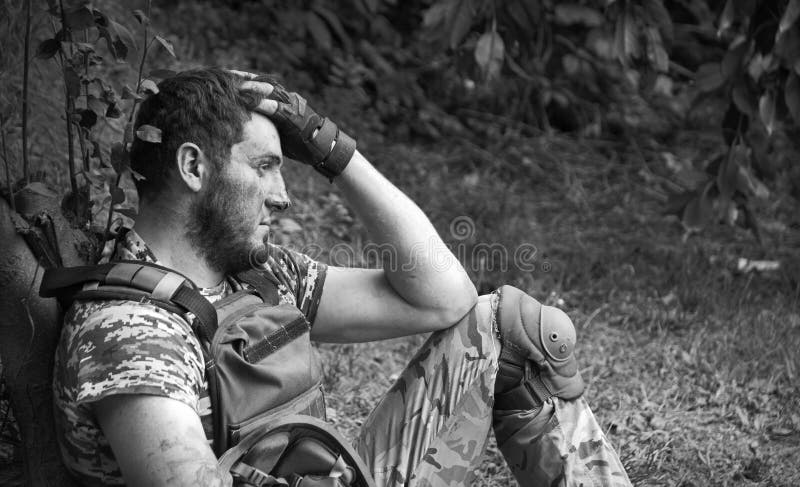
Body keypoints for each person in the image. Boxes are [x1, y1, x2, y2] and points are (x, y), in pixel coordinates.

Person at [52, 67, 631, 487]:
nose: (282, 196)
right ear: (192, 167)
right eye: (265, 167)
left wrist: (334, 151)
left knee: (510, 327)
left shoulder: (256, 277)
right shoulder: (131, 331)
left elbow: (445, 298)